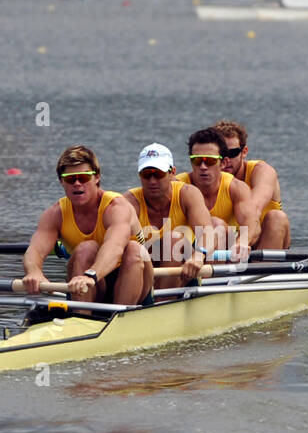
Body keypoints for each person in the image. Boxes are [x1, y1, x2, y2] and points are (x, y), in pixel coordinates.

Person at [22, 146, 153, 306]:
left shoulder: (116, 207)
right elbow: (35, 250)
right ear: (61, 181)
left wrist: (91, 275)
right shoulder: (55, 214)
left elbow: (115, 247)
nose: (77, 184)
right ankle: (81, 319)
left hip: (134, 278)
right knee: (86, 249)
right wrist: (34, 272)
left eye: (84, 178)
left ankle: (121, 317)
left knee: (134, 249)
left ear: (96, 177)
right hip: (89, 283)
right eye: (70, 179)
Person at [123, 143, 213, 289]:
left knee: (173, 239)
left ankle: (161, 303)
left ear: (172, 173)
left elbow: (208, 232)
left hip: (185, 270)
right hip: (144, 274)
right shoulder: (128, 203)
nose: (152, 181)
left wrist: (198, 255)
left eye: (158, 174)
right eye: (146, 175)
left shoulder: (187, 194)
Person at [176, 127, 258, 261]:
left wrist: (242, 241)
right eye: (197, 160)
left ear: (223, 163)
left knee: (216, 225)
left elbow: (252, 223)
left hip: (225, 252)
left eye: (210, 161)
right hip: (186, 251)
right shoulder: (178, 186)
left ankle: (213, 280)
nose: (203, 167)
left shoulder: (236, 188)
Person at [212, 120, 290, 250]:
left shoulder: (262, 171)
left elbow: (253, 210)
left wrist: (243, 241)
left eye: (232, 154)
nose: (226, 160)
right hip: (227, 246)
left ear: (244, 151)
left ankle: (263, 268)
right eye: (220, 155)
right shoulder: (204, 176)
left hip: (262, 243)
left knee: (277, 218)